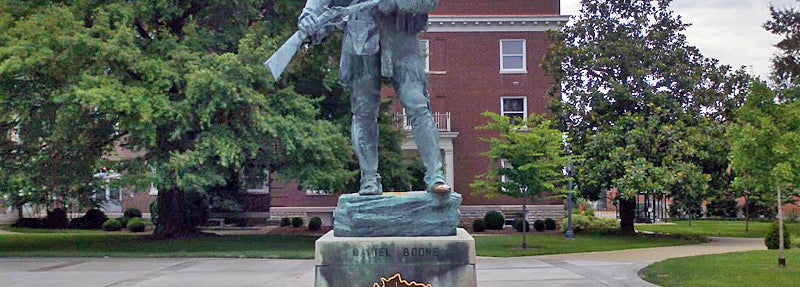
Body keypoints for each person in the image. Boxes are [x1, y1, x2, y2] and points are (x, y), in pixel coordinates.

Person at [298, 0, 450, 196]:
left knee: (418, 105)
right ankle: (369, 178)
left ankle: (435, 175)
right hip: (361, 39)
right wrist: (308, 15)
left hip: (402, 38)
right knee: (364, 112)